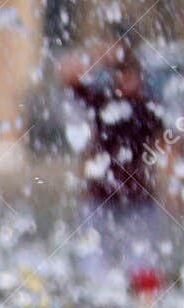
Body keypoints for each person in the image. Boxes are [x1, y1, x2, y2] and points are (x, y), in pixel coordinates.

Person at [59, 28, 166, 278]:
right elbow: (64, 72)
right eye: (121, 75)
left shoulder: (148, 107)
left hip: (139, 196)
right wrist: (97, 55)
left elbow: (165, 145)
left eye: (132, 75)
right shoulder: (102, 100)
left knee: (142, 268)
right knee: (94, 268)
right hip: (100, 195)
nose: (127, 82)